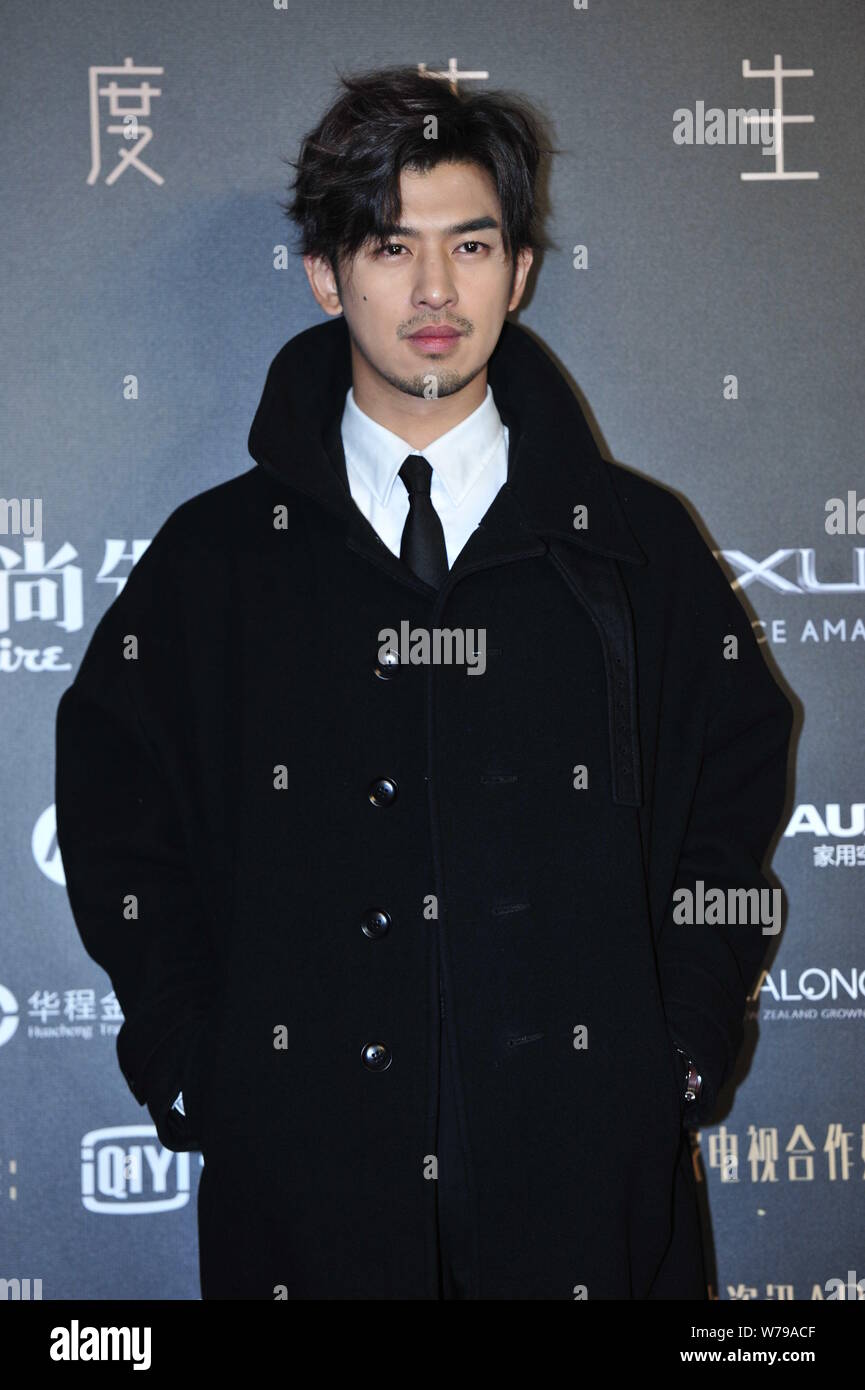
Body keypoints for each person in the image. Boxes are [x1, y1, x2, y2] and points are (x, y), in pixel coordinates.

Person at [55, 65, 793, 1300]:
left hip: (587, 1207)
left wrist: (676, 1043)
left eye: (472, 243)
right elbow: (117, 815)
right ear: (325, 272)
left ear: (521, 270)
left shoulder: (635, 546)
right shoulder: (218, 561)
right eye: (391, 246)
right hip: (307, 1206)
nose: (436, 291)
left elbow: (730, 795)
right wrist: (193, 1053)